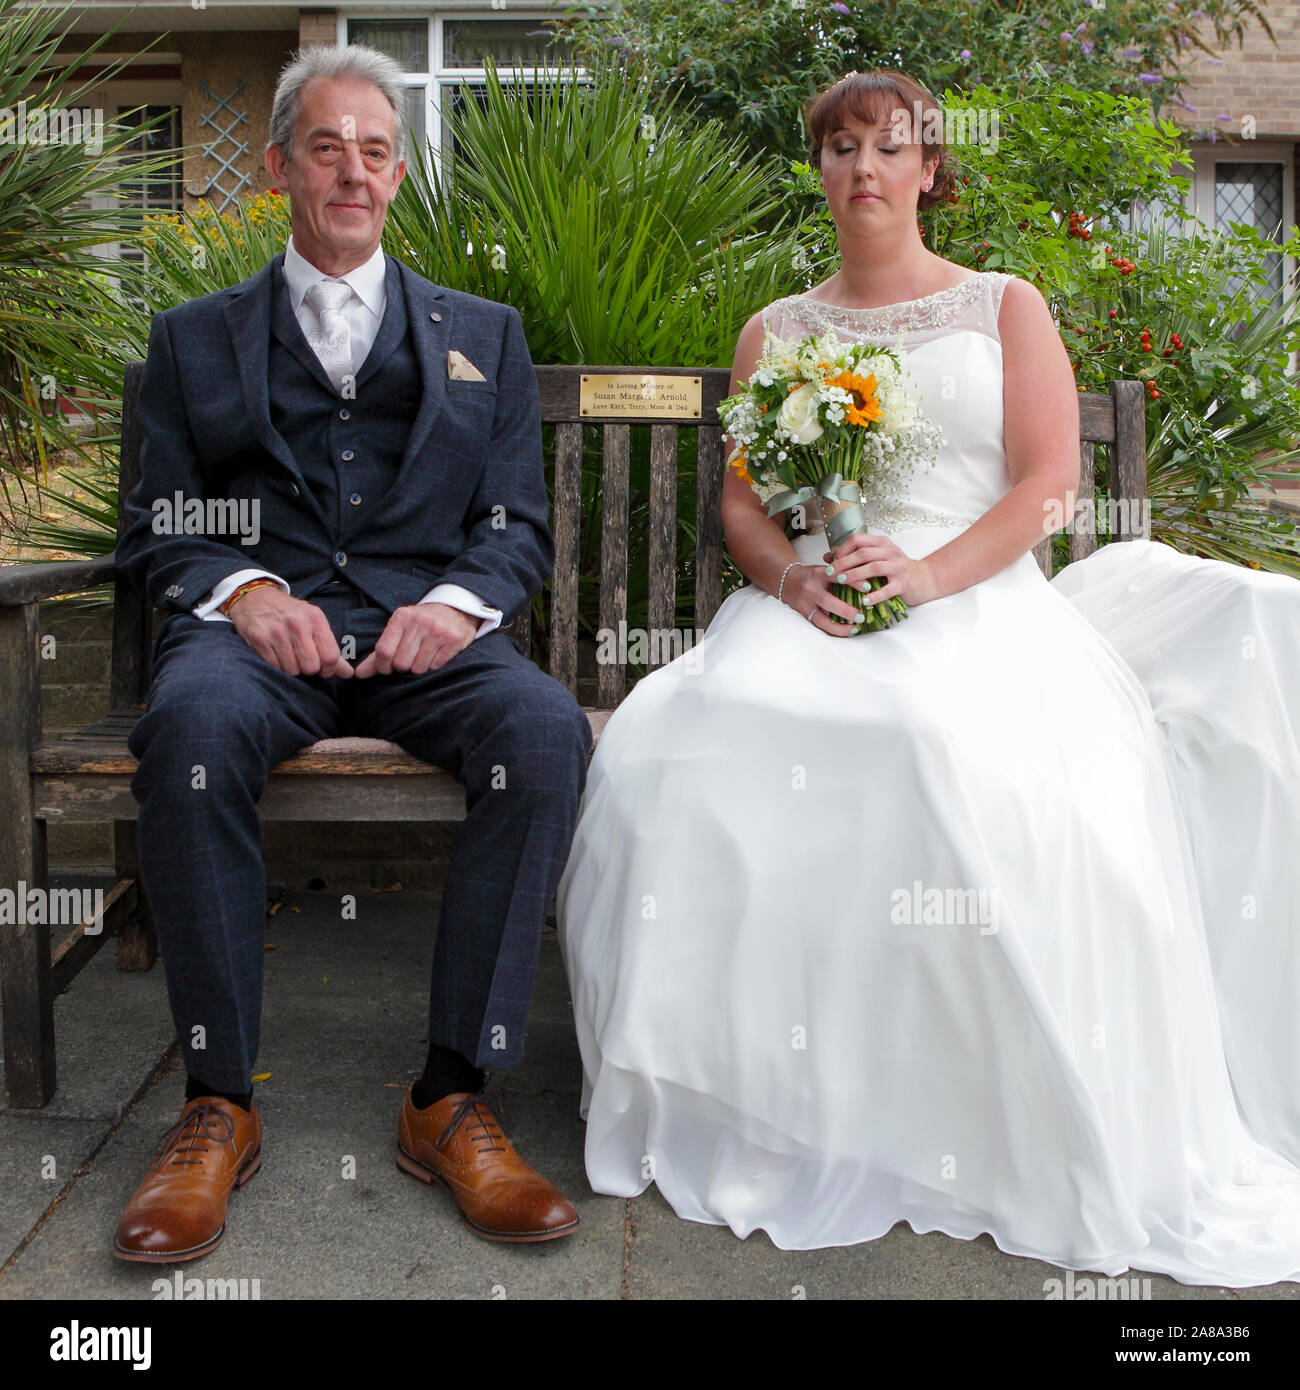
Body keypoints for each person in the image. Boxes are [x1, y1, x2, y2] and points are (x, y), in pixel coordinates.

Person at [556, 69, 1300, 1286]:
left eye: (887, 147)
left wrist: (933, 577)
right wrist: (794, 581)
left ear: (926, 169)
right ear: (821, 169)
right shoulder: (777, 330)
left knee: (933, 745)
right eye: (839, 146)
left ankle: (942, 1106)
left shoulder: (1004, 306)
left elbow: (1048, 484)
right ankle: (754, 1095)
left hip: (973, 599)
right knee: (683, 738)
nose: (862, 166)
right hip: (814, 603)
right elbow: (746, 507)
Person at [112, 44, 592, 1262]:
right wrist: (245, 585)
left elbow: (515, 523)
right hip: (255, 638)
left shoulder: (482, 330)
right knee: (190, 730)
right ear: (279, 165)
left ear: (396, 171)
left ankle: (448, 1097)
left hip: (423, 631)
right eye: (325, 147)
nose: (352, 171)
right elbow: (155, 521)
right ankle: (218, 1102)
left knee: (540, 734)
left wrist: (457, 601)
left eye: (374, 150)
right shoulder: (193, 337)